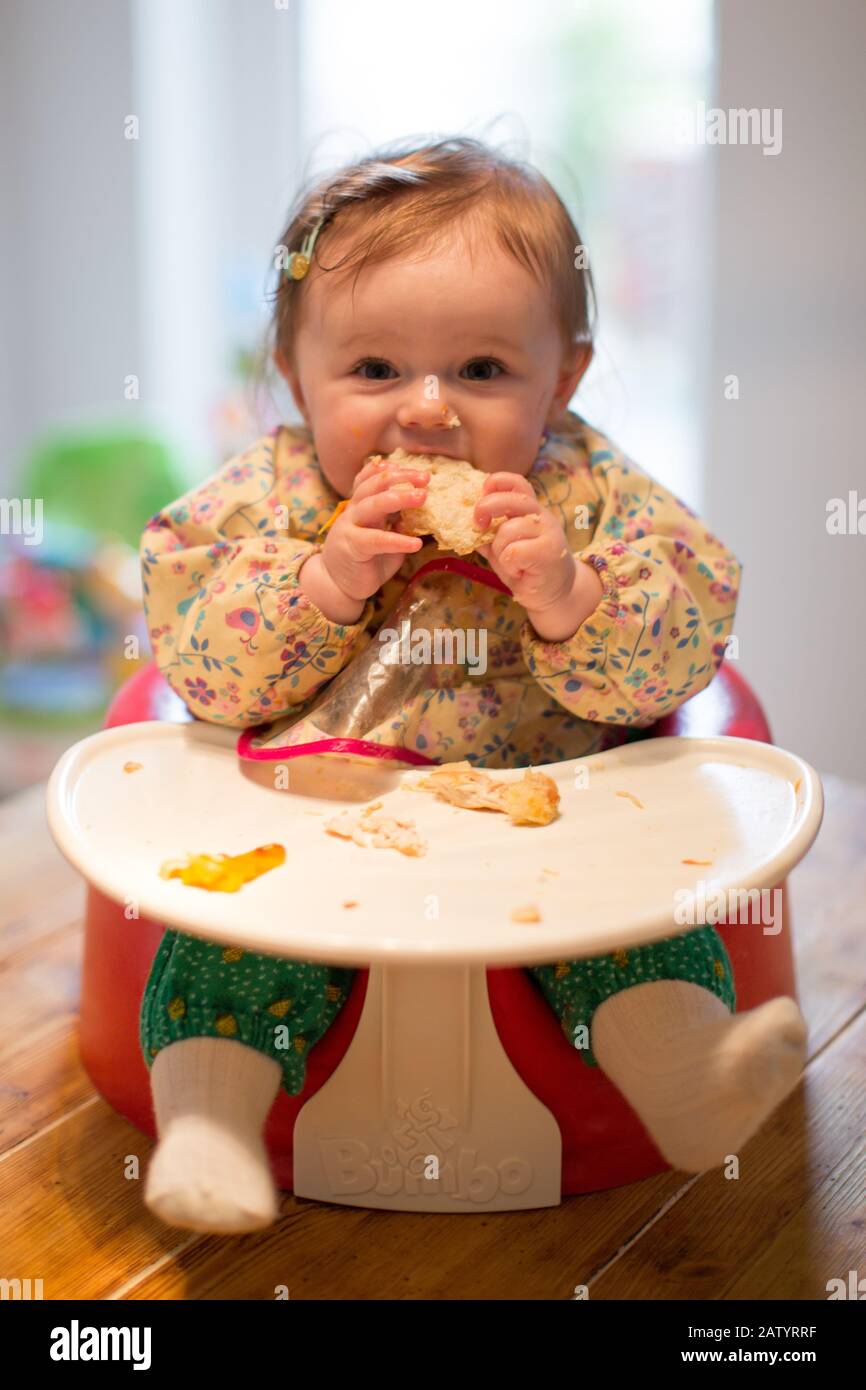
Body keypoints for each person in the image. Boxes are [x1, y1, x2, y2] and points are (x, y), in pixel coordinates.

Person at [139, 137, 807, 1233]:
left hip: (559, 818)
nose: (430, 410)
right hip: (310, 828)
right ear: (293, 371)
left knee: (640, 921)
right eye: (373, 370)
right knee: (220, 933)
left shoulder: (585, 491)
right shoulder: (268, 493)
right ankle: (210, 1124)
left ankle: (689, 1080)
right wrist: (320, 580)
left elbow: (691, 637)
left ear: (564, 375)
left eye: (485, 371)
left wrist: (571, 593)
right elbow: (195, 660)